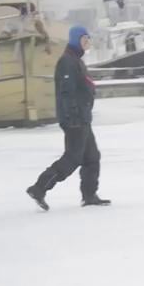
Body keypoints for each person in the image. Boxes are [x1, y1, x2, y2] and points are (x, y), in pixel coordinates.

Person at [26, 25, 111, 210]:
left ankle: (89, 195)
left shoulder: (75, 60)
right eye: (84, 39)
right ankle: (39, 187)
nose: (87, 42)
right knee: (72, 159)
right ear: (76, 40)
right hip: (75, 119)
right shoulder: (67, 61)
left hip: (82, 118)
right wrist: (73, 116)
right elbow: (66, 92)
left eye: (88, 39)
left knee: (91, 157)